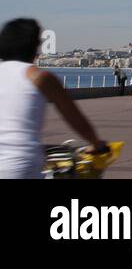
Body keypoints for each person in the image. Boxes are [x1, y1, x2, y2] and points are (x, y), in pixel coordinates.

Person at [0, 19, 109, 179]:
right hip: (20, 165)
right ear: (33, 45)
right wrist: (96, 143)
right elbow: (75, 119)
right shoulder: (38, 76)